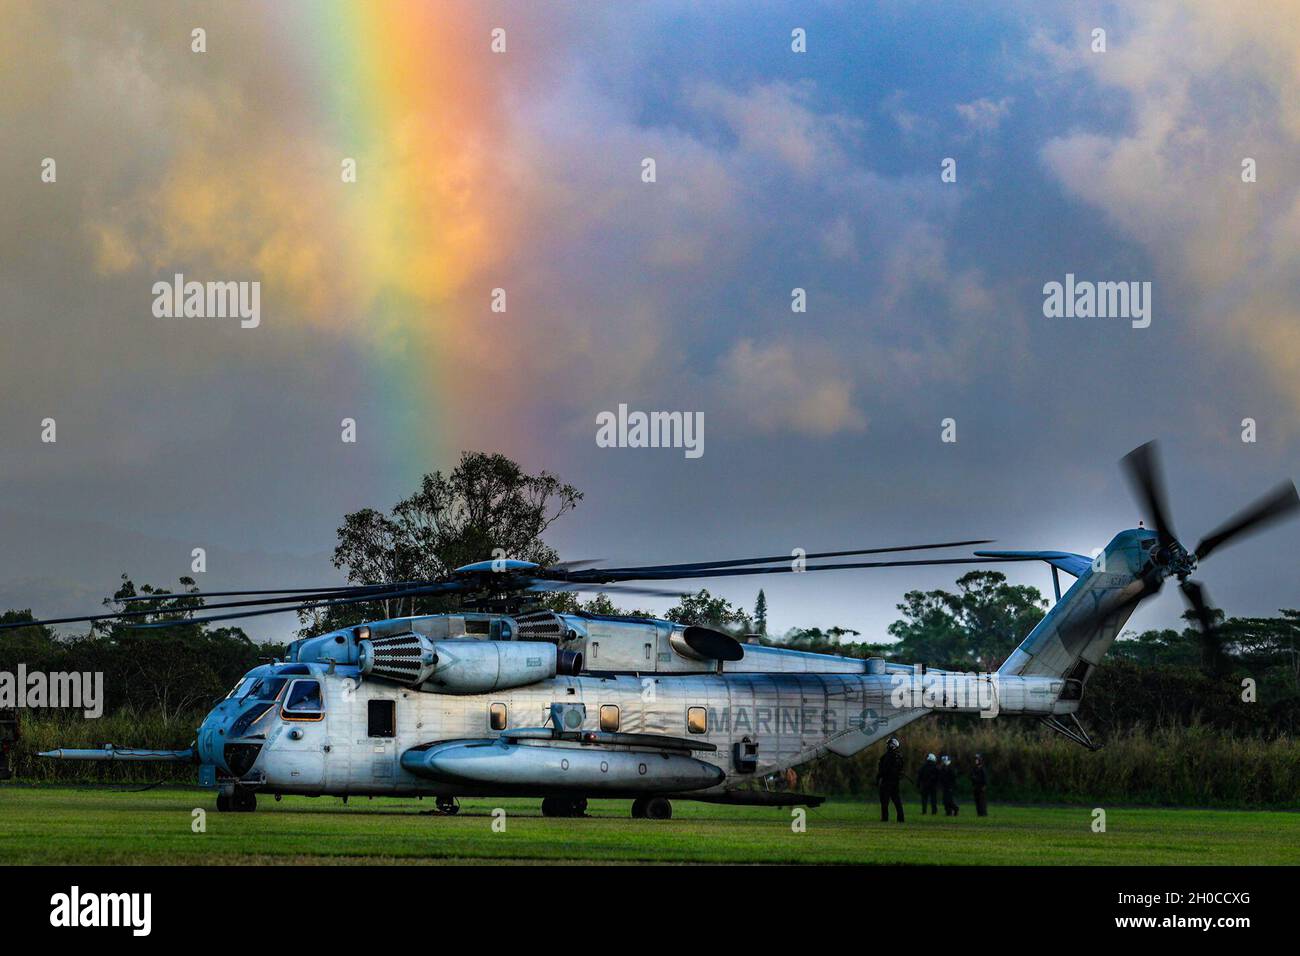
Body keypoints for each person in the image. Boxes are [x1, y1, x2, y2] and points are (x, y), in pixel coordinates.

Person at [876, 737, 905, 822]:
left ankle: (885, 819)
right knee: (897, 801)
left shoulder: (886, 757)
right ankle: (901, 819)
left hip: (886, 782)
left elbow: (882, 770)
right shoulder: (899, 757)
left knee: (884, 802)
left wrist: (878, 779)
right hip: (895, 782)